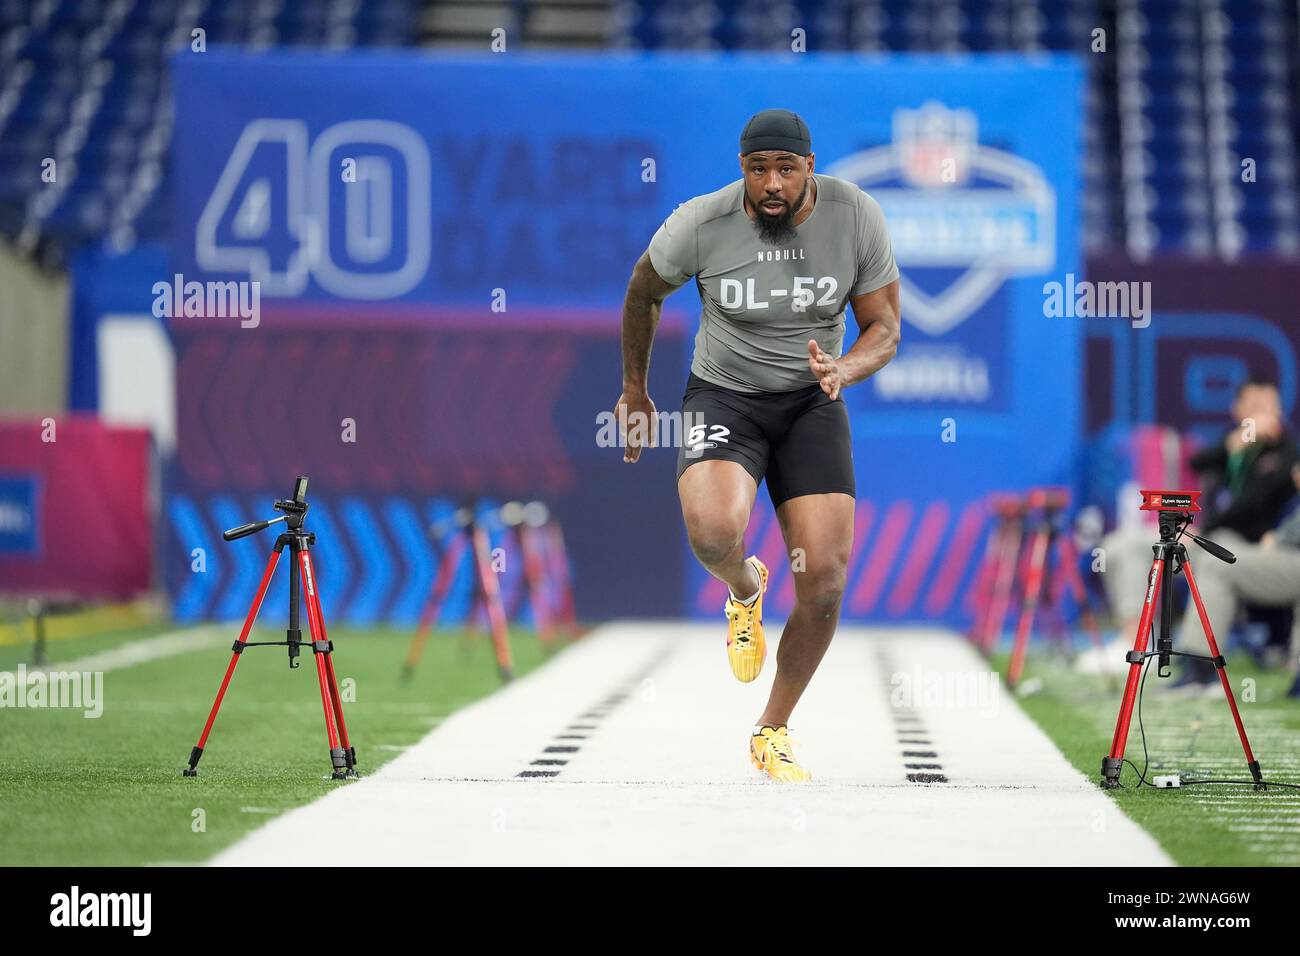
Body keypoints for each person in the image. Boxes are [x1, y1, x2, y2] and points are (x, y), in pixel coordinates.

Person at [614, 109, 901, 781]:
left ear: (811, 167)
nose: (771, 184)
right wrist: (634, 389)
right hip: (725, 397)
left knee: (825, 579)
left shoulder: (855, 215)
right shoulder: (703, 222)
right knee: (715, 534)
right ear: (741, 168)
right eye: (756, 169)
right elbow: (642, 291)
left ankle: (772, 729)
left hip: (812, 400)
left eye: (786, 169)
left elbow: (884, 327)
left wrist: (846, 369)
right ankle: (745, 590)